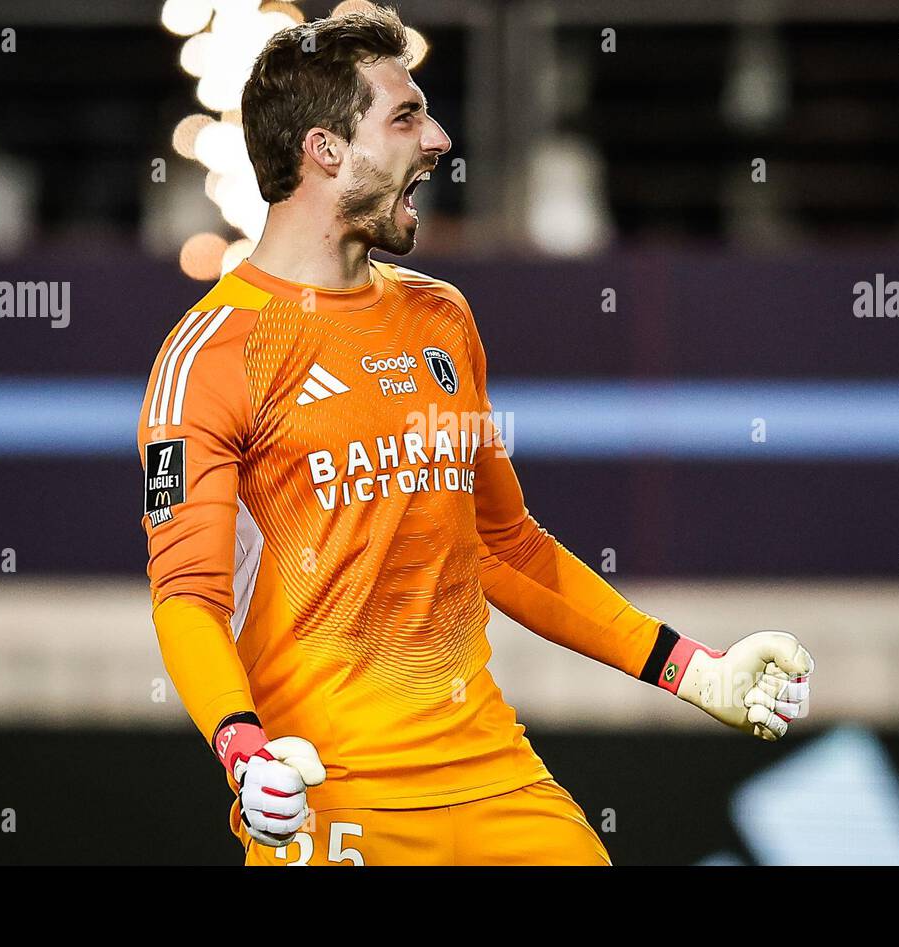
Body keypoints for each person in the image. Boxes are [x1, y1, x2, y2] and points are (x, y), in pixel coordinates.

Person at [137, 6, 812, 866]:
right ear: (325, 151)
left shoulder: (440, 318)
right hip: (331, 792)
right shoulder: (212, 353)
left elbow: (506, 546)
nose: (440, 140)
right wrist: (244, 751)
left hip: (497, 780)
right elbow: (188, 597)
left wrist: (693, 669)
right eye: (407, 116)